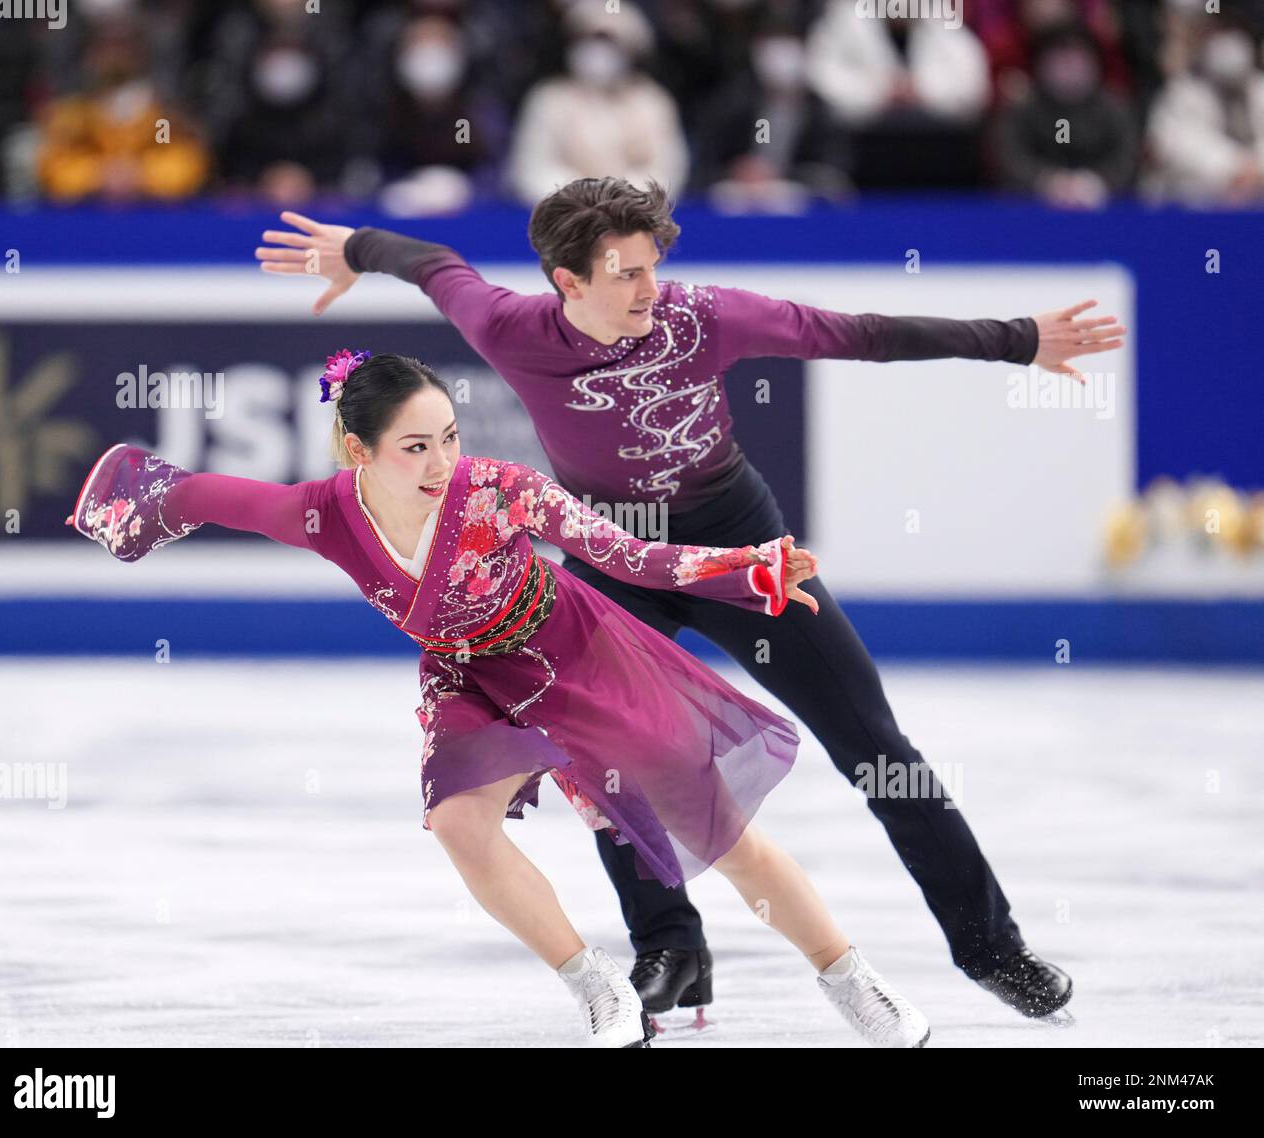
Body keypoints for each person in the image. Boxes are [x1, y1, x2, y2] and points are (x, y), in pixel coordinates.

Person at [256, 177, 1124, 1029]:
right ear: (569, 283)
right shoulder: (509, 327)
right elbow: (436, 262)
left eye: (652, 268)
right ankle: (670, 949)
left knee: (874, 745)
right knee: (605, 762)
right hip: (612, 557)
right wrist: (358, 250)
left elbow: (854, 332)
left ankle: (992, 948)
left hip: (736, 546)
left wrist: (1016, 340)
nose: (649, 289)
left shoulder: (702, 317)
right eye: (625, 273)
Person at [65, 351, 932, 1049]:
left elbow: (628, 557)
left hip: (575, 650)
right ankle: (594, 987)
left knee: (715, 828)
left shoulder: (498, 489)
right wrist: (132, 506)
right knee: (456, 821)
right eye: (416, 447)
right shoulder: (324, 514)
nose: (442, 461)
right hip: (465, 673)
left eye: (448, 435)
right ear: (358, 452)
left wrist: (742, 570)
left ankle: (851, 980)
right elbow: (207, 494)